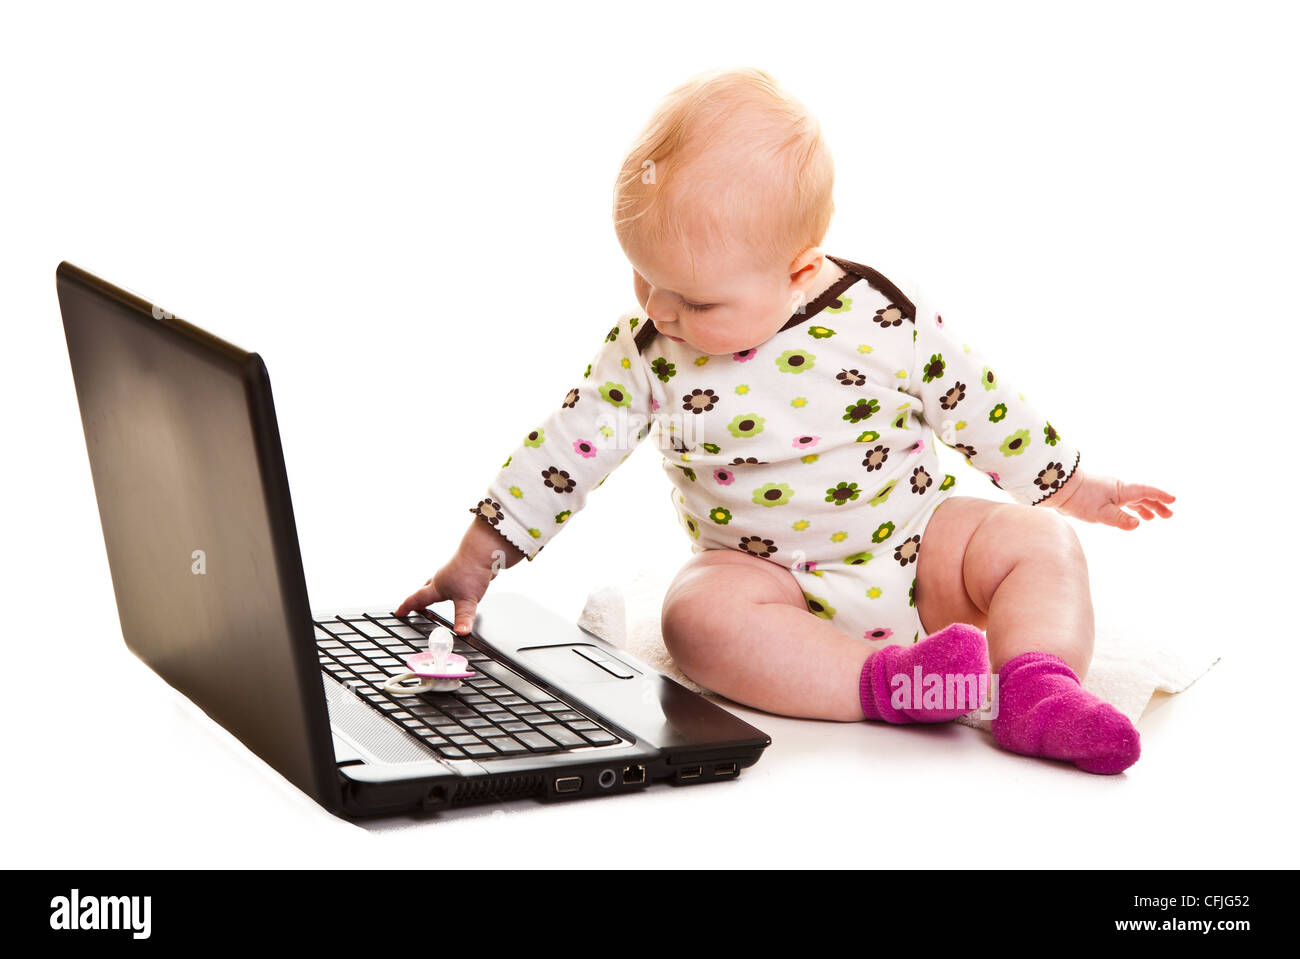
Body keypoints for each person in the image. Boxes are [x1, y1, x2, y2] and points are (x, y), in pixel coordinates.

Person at [397, 67, 1175, 774]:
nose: (659, 310)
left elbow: (980, 402)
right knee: (695, 613)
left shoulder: (882, 314)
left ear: (799, 270)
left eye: (695, 301)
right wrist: (480, 553)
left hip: (914, 547)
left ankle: (1039, 689)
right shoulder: (647, 354)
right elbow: (564, 451)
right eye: (644, 277)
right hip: (768, 580)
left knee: (1038, 542)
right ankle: (888, 685)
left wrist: (1071, 488)